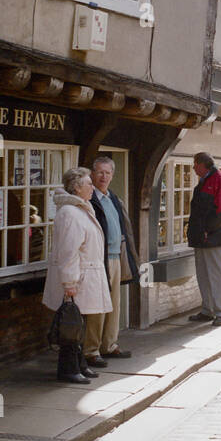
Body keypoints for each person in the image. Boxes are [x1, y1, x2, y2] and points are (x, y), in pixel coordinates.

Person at [42, 167, 112, 383]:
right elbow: (68, 251)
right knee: (71, 324)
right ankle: (68, 369)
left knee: (80, 323)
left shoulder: (82, 208)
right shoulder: (70, 213)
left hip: (87, 275)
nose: (93, 187)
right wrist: (69, 282)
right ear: (76, 187)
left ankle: (79, 364)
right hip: (78, 278)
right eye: (88, 184)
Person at [85, 155, 141, 369]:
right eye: (99, 172)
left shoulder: (115, 199)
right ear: (92, 174)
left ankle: (109, 345)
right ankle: (91, 350)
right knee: (97, 306)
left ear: (112, 175)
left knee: (114, 305)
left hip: (116, 258)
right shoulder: (89, 200)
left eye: (107, 173)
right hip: (98, 260)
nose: (103, 176)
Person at [187, 152, 221, 326]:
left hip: (213, 236)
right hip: (202, 236)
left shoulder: (219, 179)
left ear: (202, 164)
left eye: (195, 164)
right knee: (204, 274)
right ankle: (208, 310)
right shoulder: (206, 180)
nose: (193, 168)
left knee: (217, 274)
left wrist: (209, 230)